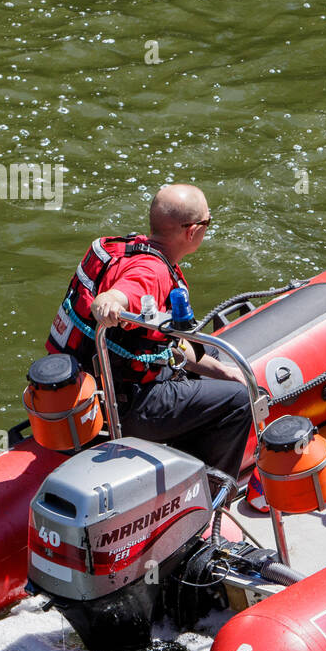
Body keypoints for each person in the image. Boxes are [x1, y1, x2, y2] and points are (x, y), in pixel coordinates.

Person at [46, 184, 253, 478]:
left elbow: (167, 345)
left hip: (95, 388)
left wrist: (221, 371)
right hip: (125, 408)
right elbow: (121, 295)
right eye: (208, 223)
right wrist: (108, 304)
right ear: (192, 232)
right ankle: (205, 488)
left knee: (208, 355)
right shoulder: (151, 273)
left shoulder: (123, 249)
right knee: (238, 401)